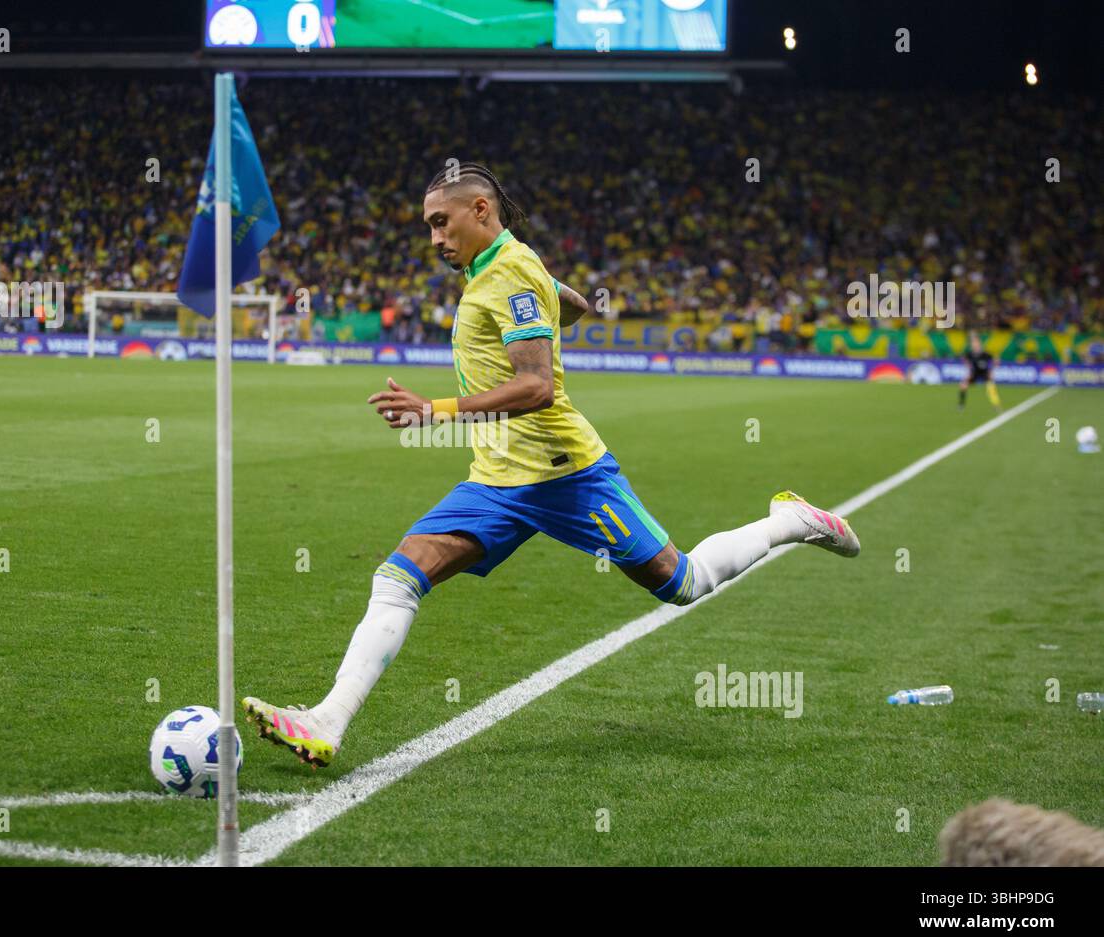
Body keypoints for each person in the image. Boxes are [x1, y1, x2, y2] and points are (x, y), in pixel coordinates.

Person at [241, 163, 861, 768]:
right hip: (497, 478)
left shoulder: (507, 272)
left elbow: (536, 386)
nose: (433, 239)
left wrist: (436, 408)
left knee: (682, 582)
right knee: (399, 575)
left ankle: (790, 521)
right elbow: (577, 304)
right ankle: (327, 721)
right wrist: (549, 298)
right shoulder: (508, 262)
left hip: (566, 474)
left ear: (479, 210)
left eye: (440, 222)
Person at [958, 330, 1001, 410]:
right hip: (974, 373)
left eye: (976, 344)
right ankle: (961, 404)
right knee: (963, 385)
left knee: (991, 387)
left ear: (980, 345)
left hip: (984, 373)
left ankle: (996, 405)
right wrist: (968, 370)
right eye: (973, 344)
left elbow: (996, 361)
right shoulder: (970, 354)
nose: (975, 345)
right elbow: (964, 360)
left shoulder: (985, 354)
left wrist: (991, 371)